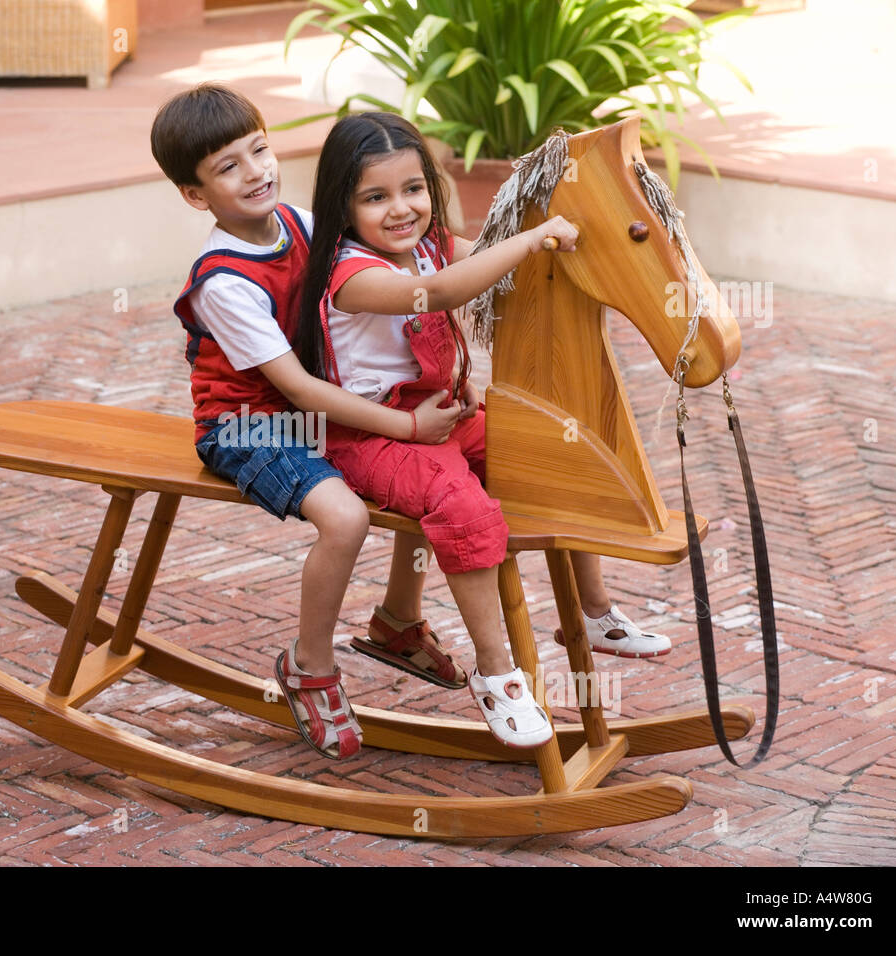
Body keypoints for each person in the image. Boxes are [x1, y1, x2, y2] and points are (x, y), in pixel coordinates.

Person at [295, 111, 665, 748]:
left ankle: (595, 610)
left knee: (550, 451)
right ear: (341, 203)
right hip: (372, 436)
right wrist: (530, 238)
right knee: (464, 509)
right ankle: (498, 675)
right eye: (375, 197)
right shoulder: (350, 275)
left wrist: (577, 237)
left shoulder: (427, 240)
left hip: (441, 417)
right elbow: (437, 293)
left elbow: (487, 261)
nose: (401, 209)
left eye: (413, 189)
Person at [150, 84, 471, 759]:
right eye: (228, 167)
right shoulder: (223, 280)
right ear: (195, 193)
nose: (256, 171)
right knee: (346, 517)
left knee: (440, 466)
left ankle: (398, 622)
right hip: (250, 423)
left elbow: (424, 256)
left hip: (316, 402)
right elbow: (294, 386)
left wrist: (509, 246)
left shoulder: (301, 221)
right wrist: (405, 427)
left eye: (259, 150)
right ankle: (311, 665)